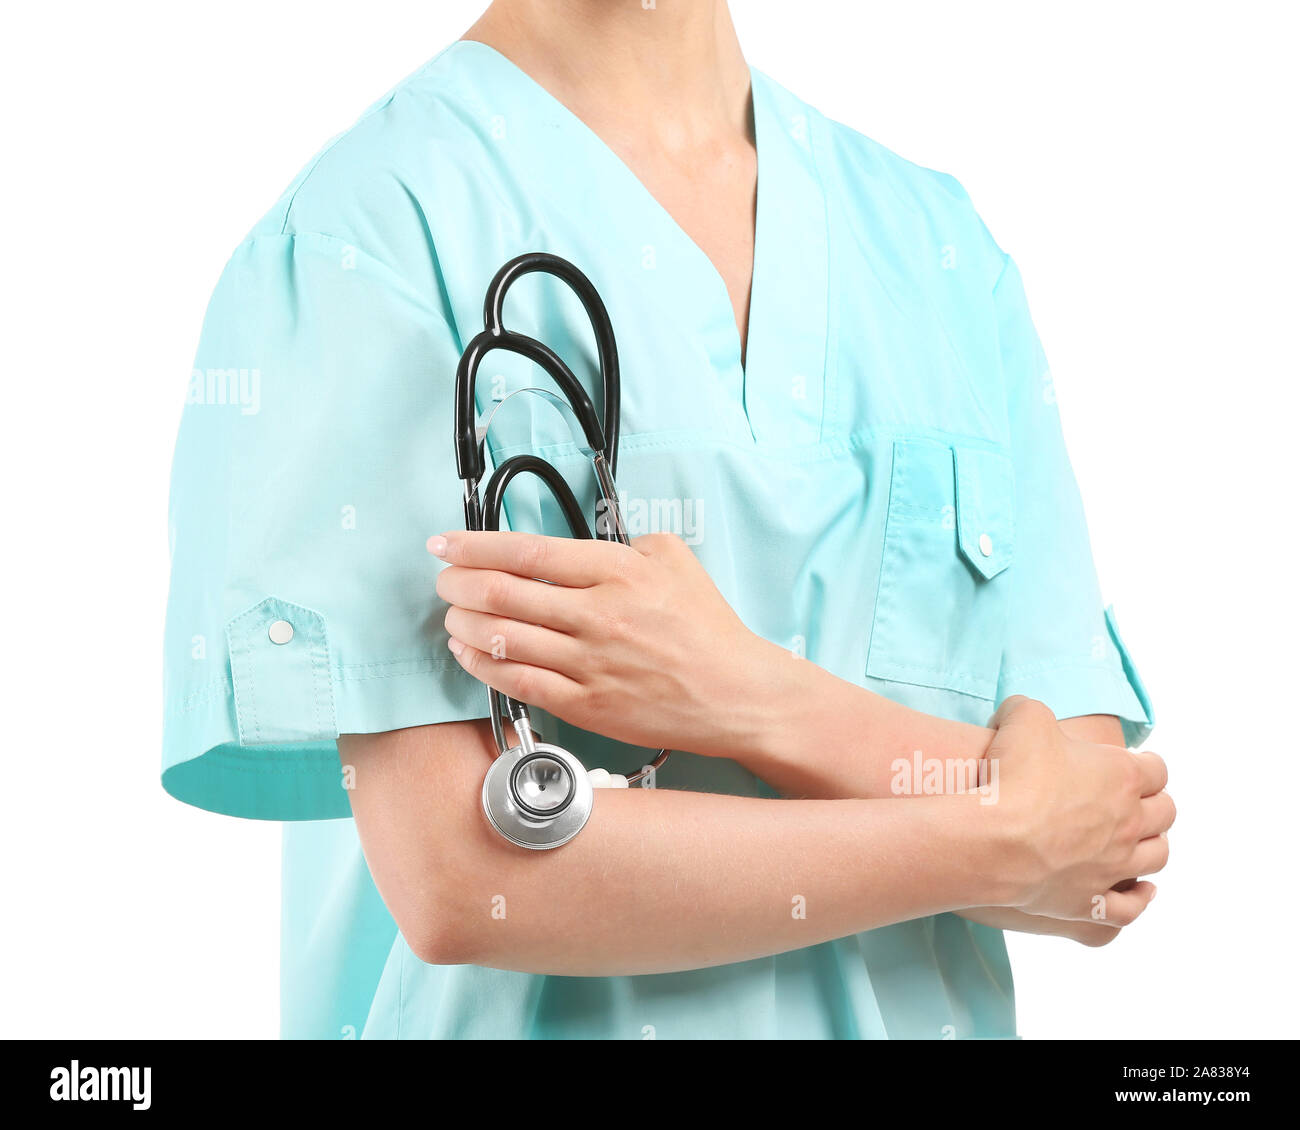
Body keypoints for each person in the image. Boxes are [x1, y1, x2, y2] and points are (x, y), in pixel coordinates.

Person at [162, 0, 1170, 1039]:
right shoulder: (366, 232)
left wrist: (748, 695)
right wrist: (1006, 834)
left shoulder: (939, 250)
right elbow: (463, 876)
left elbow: (1101, 857)